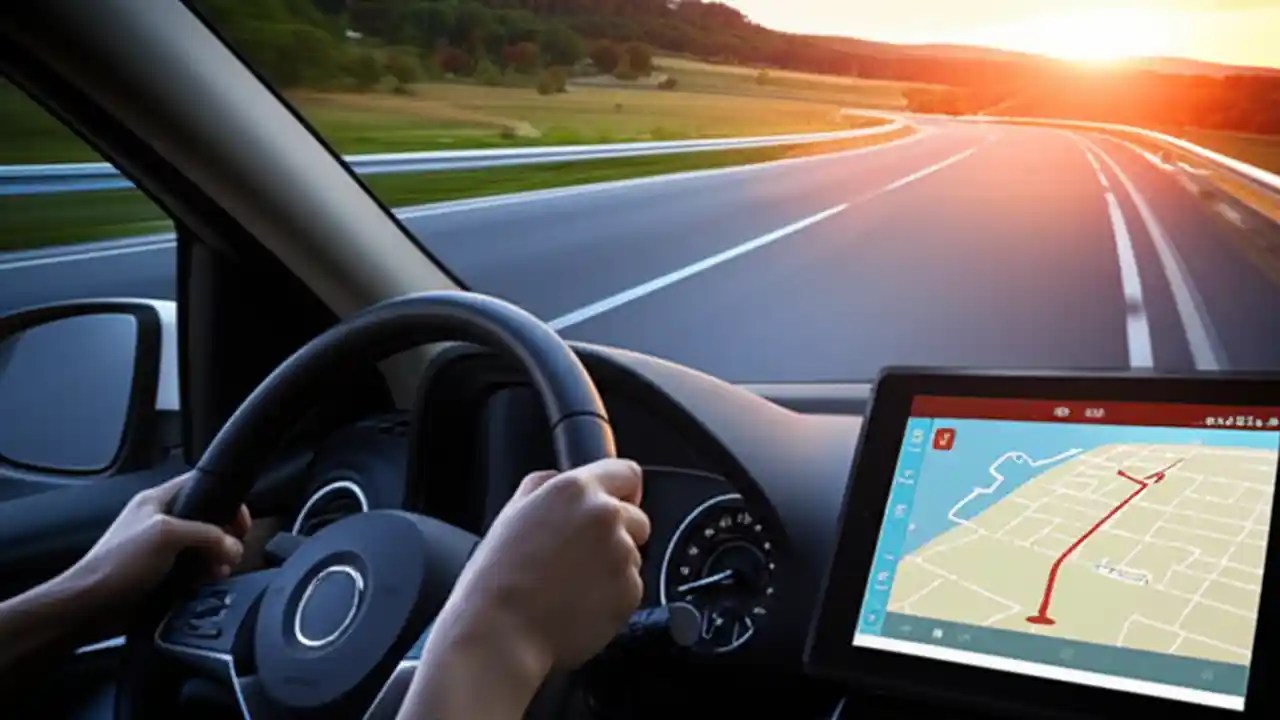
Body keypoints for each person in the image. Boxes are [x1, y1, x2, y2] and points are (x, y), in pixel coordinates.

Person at [0, 459, 649, 720]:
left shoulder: (91, 597)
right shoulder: (506, 630)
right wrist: (502, 631)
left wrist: (84, 592)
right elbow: (497, 632)